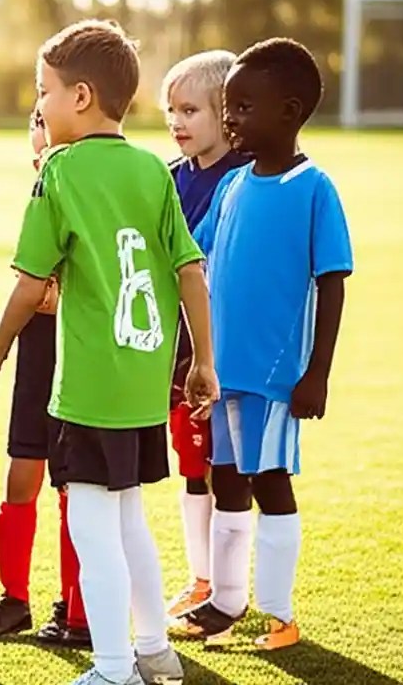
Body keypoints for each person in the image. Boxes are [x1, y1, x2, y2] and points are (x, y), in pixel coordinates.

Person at [0, 20, 217, 685]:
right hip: (141, 384)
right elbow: (189, 272)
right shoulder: (150, 168)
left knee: (90, 523)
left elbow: (29, 285)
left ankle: (113, 668)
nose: (40, 106)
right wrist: (201, 361)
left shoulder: (60, 170)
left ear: (80, 97)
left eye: (43, 92)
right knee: (129, 516)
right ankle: (152, 650)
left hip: (87, 386)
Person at [180, 37, 353, 652]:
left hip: (277, 376)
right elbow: (195, 263)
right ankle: (227, 602)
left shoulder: (314, 189)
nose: (231, 119)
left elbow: (332, 283)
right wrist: (195, 356)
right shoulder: (231, 187)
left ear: (290, 110)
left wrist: (318, 373)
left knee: (269, 481)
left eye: (244, 107)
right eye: (228, 107)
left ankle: (281, 616)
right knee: (226, 477)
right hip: (225, 371)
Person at [0, 107, 90, 648]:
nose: (37, 130)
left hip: (80, 360)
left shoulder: (83, 187)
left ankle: (78, 610)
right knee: (22, 472)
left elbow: (46, 287)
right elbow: (32, 286)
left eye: (46, 117)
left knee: (74, 485)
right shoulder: (39, 189)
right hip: (38, 356)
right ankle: (14, 599)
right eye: (32, 119)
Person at [158, 49, 251, 619]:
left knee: (229, 469)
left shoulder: (243, 181)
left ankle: (229, 590)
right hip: (176, 352)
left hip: (224, 351)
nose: (177, 121)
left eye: (190, 109)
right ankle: (200, 580)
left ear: (225, 112)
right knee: (191, 466)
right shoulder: (166, 179)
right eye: (170, 109)